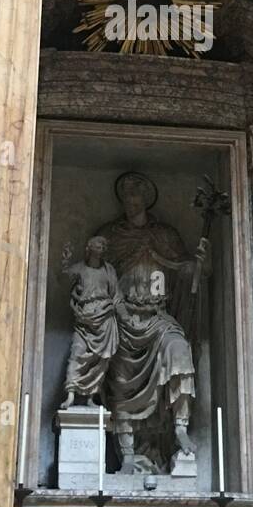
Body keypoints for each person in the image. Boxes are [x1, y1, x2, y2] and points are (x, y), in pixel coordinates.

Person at [95, 172, 208, 472]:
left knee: (179, 350)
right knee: (118, 372)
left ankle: (181, 427)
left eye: (136, 195)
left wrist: (195, 266)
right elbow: (94, 276)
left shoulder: (166, 236)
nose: (131, 201)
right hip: (122, 319)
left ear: (146, 199)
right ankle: (127, 453)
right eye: (126, 195)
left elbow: (185, 274)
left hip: (158, 318)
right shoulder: (110, 237)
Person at [59, 235, 120, 409]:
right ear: (89, 247)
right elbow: (62, 280)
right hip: (84, 320)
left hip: (105, 320)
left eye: (104, 244)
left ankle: (91, 398)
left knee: (99, 362)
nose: (102, 246)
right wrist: (64, 261)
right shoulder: (79, 269)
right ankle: (70, 395)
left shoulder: (109, 270)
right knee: (76, 353)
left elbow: (116, 295)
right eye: (98, 243)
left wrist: (126, 317)